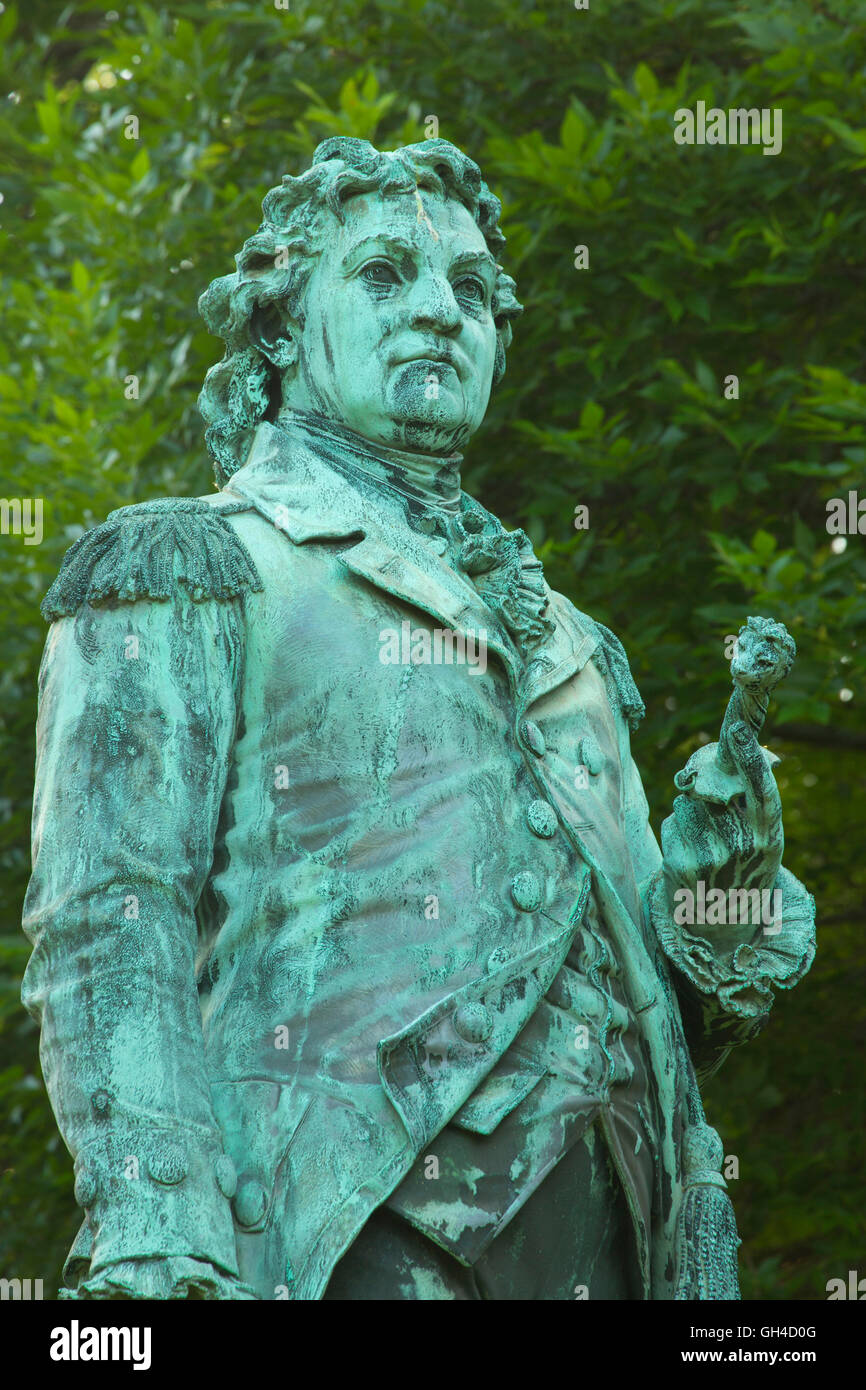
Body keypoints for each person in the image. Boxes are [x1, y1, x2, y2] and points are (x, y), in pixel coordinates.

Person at [22, 137, 815, 1301]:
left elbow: (668, 1003)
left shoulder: (575, 640)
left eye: (472, 289)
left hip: (618, 1229)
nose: (440, 311)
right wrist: (158, 1226)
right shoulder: (189, 563)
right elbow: (110, 911)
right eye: (385, 275)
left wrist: (720, 890)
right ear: (282, 328)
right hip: (339, 1219)